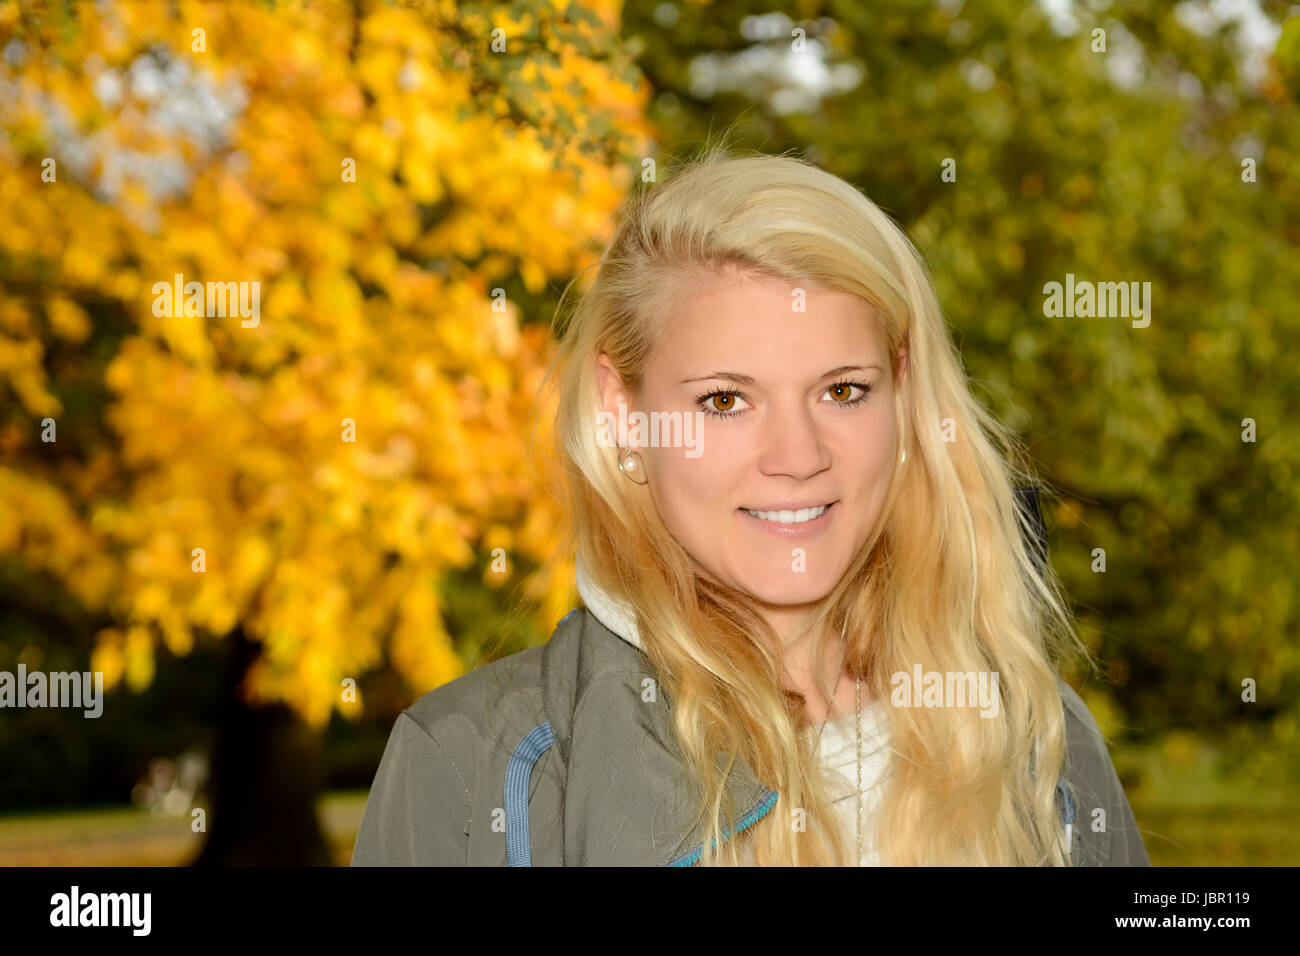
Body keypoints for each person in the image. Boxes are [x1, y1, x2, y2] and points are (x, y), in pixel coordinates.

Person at [351, 145, 1150, 866]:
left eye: (843, 391)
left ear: (903, 393)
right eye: (726, 400)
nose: (797, 458)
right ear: (623, 410)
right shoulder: (471, 767)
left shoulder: (1039, 743)